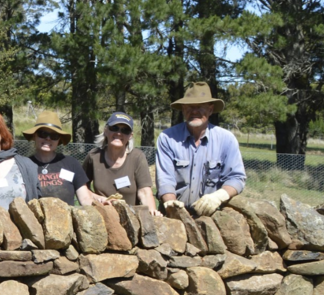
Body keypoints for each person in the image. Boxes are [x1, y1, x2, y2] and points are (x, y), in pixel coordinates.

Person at [157, 82, 246, 215]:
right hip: (173, 214)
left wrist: (218, 196)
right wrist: (172, 206)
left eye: (200, 107)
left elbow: (236, 177)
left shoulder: (226, 139)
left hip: (212, 216)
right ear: (183, 109)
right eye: (189, 107)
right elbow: (165, 180)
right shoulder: (167, 138)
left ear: (210, 110)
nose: (194, 111)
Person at [83, 112, 157, 213]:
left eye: (125, 130)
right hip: (102, 216)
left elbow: (145, 192)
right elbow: (81, 187)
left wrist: (152, 212)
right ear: (106, 131)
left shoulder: (137, 157)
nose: (119, 133)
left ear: (130, 136)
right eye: (114, 128)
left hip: (132, 218)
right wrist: (96, 198)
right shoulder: (93, 156)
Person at [23, 110, 93, 206]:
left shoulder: (71, 164)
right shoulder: (24, 166)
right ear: (34, 135)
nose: (48, 138)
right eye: (43, 134)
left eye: (54, 136)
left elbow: (85, 199)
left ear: (59, 140)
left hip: (66, 220)